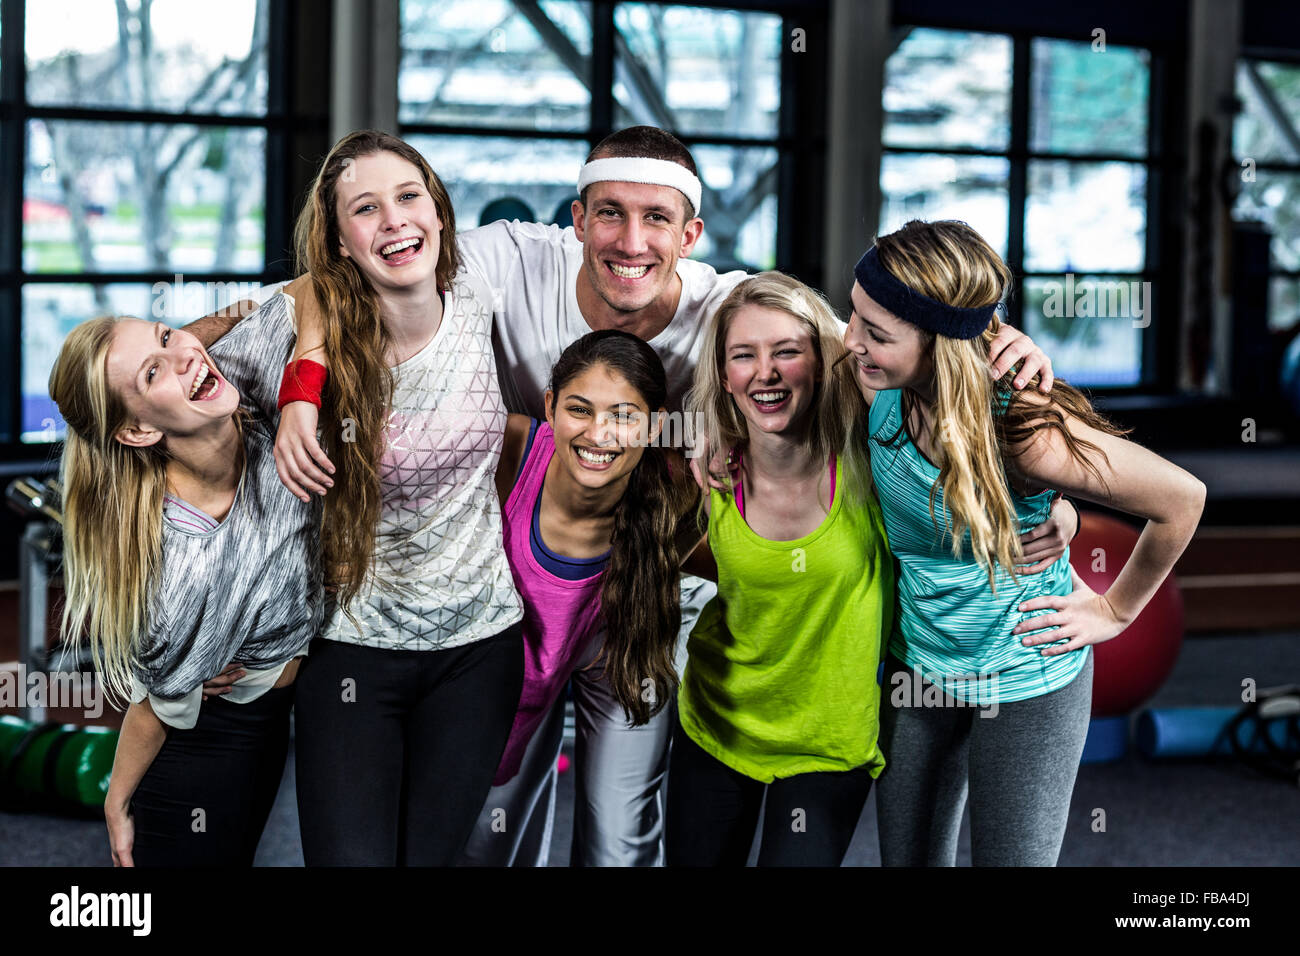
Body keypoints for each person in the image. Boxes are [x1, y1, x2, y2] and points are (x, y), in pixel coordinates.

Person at [272, 126, 1067, 866]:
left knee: (621, 836)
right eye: (610, 215)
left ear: (691, 237)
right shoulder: (505, 259)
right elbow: (327, 280)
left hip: (645, 596)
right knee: (491, 824)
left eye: (657, 218)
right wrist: (299, 388)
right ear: (577, 221)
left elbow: (894, 341)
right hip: (516, 597)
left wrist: (996, 345)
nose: (631, 239)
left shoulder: (736, 306)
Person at [843, 219, 1206, 866]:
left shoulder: (1026, 429)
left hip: (1025, 672)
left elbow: (1182, 498)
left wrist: (1114, 610)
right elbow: (764, 325)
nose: (850, 341)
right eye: (853, 316)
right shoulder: (875, 383)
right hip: (919, 664)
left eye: (875, 333)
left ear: (941, 346)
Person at [288, 129, 525, 866]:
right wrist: (300, 388)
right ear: (338, 244)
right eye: (366, 208)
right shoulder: (302, 327)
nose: (393, 220)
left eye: (408, 196)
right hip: (355, 648)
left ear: (440, 212)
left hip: (480, 647)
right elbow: (167, 363)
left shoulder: (481, 293)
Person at [48, 289, 317, 866]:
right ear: (140, 431)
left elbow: (317, 288)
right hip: (202, 747)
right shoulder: (179, 568)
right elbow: (157, 708)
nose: (186, 358)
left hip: (272, 723)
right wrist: (116, 800)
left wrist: (298, 399)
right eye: (153, 373)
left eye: (167, 334)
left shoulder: (236, 382)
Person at [668, 271, 890, 866]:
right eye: (745, 355)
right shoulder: (707, 476)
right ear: (724, 375)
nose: (765, 373)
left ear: (822, 359)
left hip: (827, 742)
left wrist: (1064, 516)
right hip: (718, 725)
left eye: (787, 352)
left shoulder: (875, 460)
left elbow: (972, 411)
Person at [461, 330, 703, 865]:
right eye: (579, 409)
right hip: (516, 654)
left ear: (657, 425)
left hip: (617, 643)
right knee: (482, 835)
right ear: (549, 407)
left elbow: (754, 557)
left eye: (623, 415)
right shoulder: (506, 451)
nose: (599, 433)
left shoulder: (678, 490)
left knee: (618, 838)